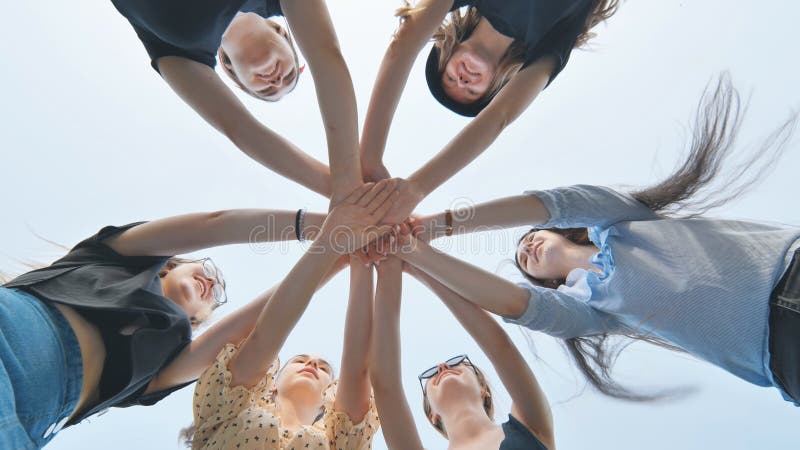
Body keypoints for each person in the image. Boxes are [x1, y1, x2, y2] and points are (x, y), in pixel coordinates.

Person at [385, 75, 800, 404]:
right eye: (525, 262)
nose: (526, 248)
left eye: (530, 239)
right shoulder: (597, 312)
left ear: (559, 231)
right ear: (548, 284)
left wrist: (435, 226)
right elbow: (517, 304)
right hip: (780, 358)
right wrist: (415, 253)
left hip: (789, 270)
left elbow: (552, 204)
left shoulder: (621, 220)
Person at [0, 179, 398, 449]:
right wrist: (329, 231)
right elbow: (215, 225)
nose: (211, 281)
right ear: (170, 266)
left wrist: (344, 252)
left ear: (197, 322)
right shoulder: (118, 257)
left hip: (36, 423)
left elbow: (262, 323)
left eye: (216, 294)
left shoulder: (163, 365)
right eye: (205, 270)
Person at [359, 0, 619, 223]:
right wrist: (416, 189)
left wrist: (370, 156)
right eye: (472, 92)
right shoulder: (551, 43)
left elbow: (402, 45)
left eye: (449, 78)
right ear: (495, 87)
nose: (462, 81)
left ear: (447, 53)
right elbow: (499, 118)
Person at [110, 0, 363, 202]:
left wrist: (344, 191)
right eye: (289, 75)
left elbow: (242, 130)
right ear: (282, 31)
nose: (276, 82)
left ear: (229, 68)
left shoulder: (180, 55)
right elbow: (325, 56)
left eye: (265, 91)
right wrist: (350, 179)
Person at [370, 257, 555, 449]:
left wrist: (419, 267)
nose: (442, 367)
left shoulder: (529, 425)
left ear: (483, 387)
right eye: (433, 374)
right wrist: (388, 268)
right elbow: (386, 388)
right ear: (432, 414)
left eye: (458, 364)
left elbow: (501, 347)